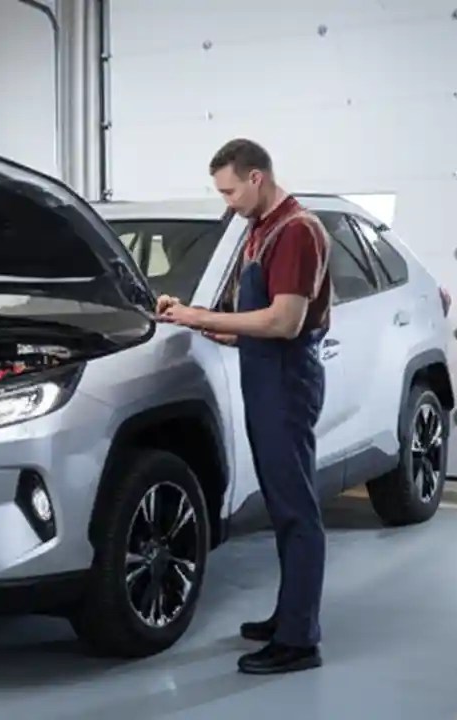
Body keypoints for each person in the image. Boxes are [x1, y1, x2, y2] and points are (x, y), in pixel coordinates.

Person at [157, 138, 332, 675]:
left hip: (286, 381)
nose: (226, 201)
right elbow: (250, 325)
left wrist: (198, 319)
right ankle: (289, 616)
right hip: (266, 378)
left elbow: (284, 323)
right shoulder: (259, 229)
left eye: (230, 190)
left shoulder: (296, 231)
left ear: (256, 178)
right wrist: (191, 314)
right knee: (283, 507)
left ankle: (300, 642)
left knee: (297, 511)